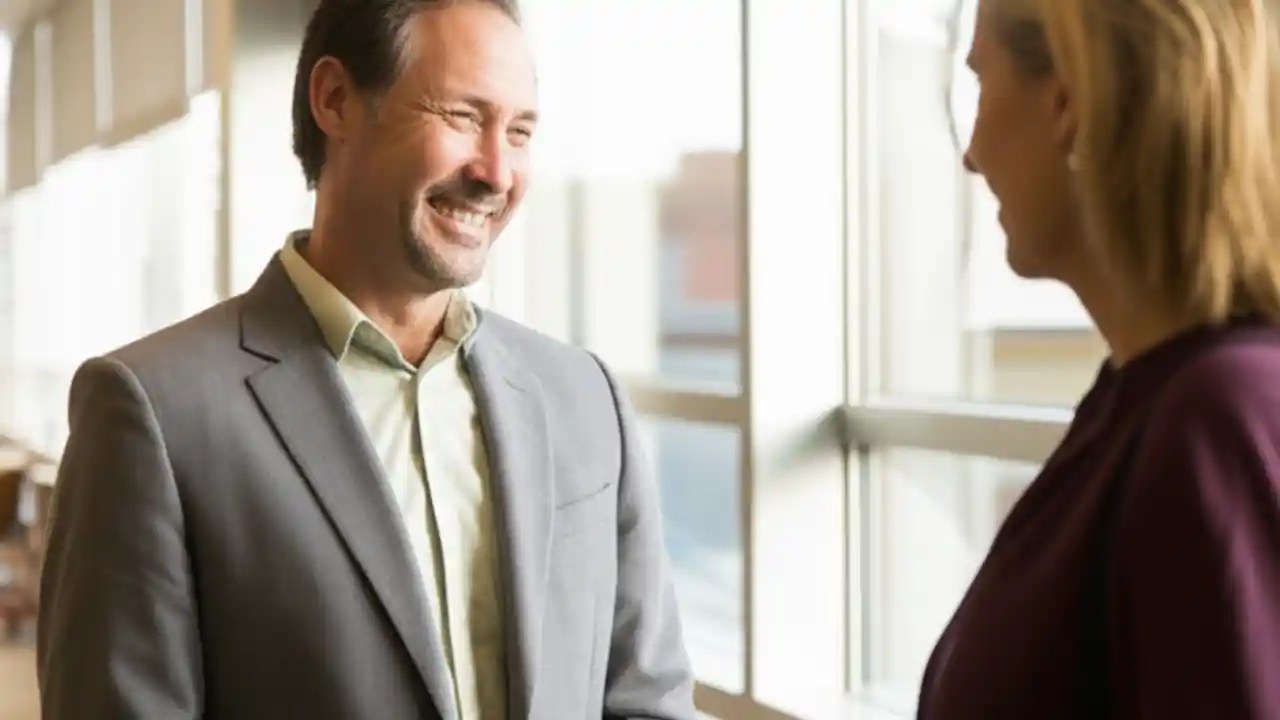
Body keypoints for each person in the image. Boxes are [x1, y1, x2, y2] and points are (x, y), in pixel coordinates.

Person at [36, 1, 696, 718]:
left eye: (520, 131)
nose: (496, 171)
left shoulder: (585, 399)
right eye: (463, 118)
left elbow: (647, 701)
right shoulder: (154, 412)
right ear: (336, 100)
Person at [918, 0, 1280, 717]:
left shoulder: (1213, 418)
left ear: (1067, 99)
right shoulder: (1142, 397)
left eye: (982, 85)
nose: (972, 151)